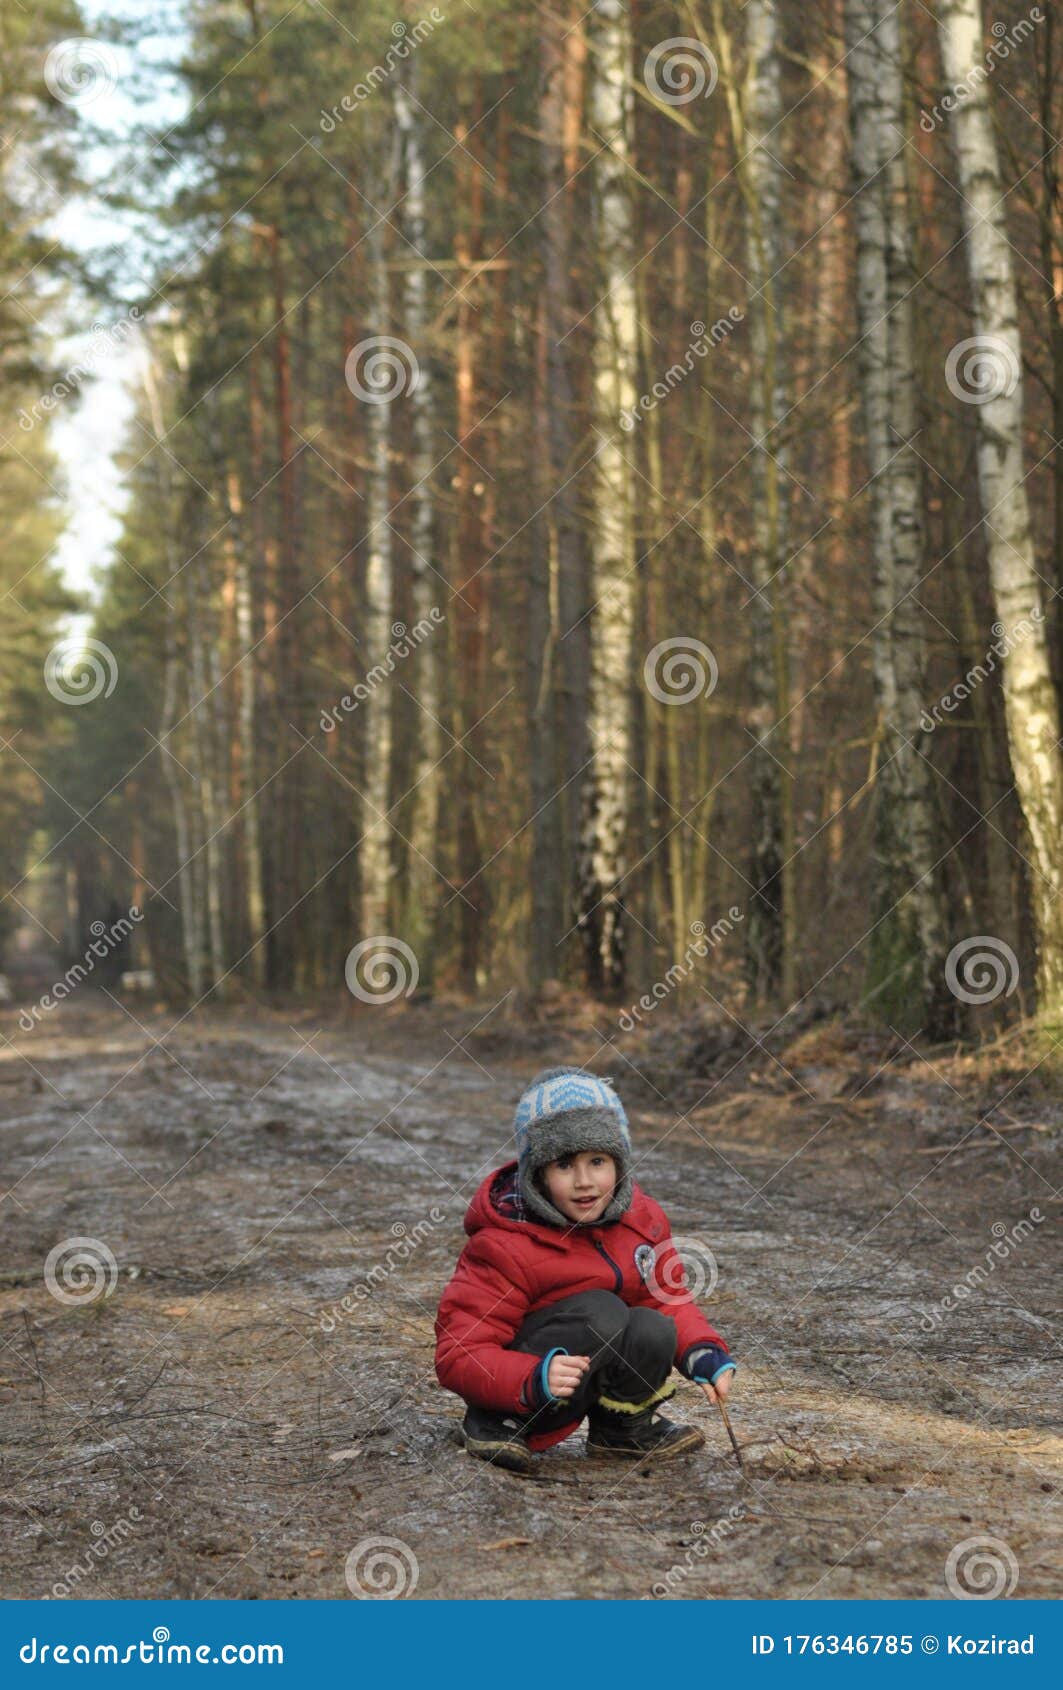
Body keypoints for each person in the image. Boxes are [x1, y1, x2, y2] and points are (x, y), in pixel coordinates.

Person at [434, 1066, 736, 1475]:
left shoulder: (641, 1222)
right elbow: (458, 1351)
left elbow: (667, 1301)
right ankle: (496, 1421)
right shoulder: (505, 1243)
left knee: (652, 1326)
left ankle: (621, 1425)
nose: (584, 1182)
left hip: (580, 1380)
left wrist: (702, 1351)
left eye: (597, 1161)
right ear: (537, 1173)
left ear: (619, 1163)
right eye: (563, 1165)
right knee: (603, 1311)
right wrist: (531, 1376)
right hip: (522, 1389)